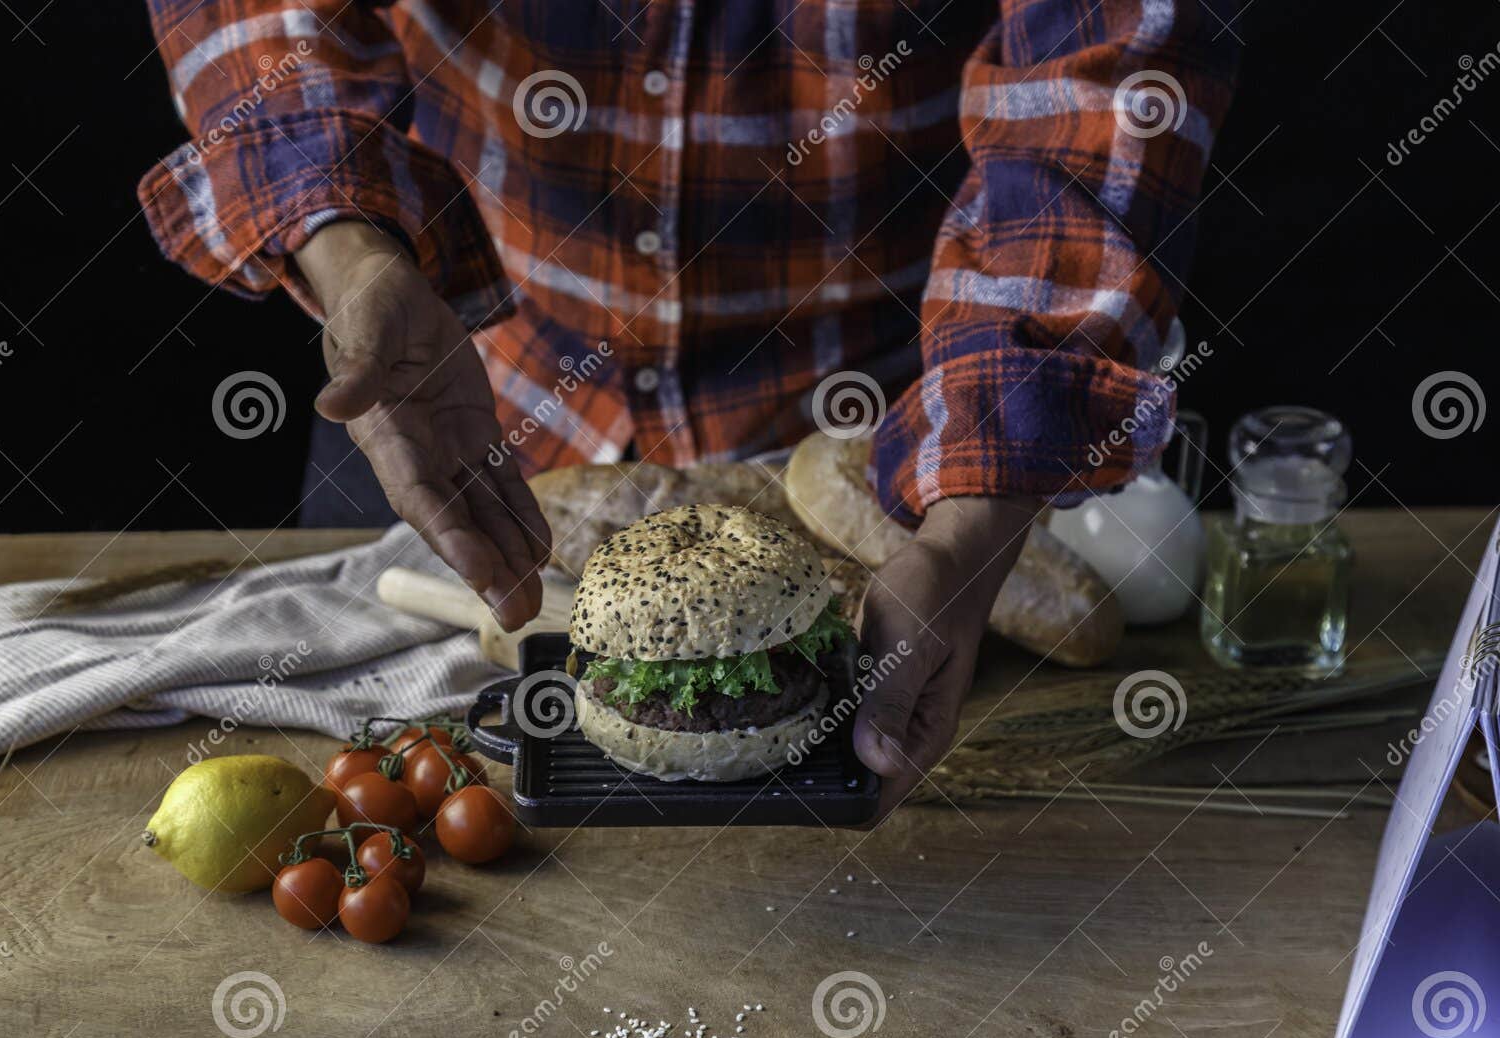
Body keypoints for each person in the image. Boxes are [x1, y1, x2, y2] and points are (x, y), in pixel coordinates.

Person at [139, 0, 1236, 813]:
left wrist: (977, 503)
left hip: (888, 445)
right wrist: (349, 252)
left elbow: (1103, 81)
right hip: (453, 403)